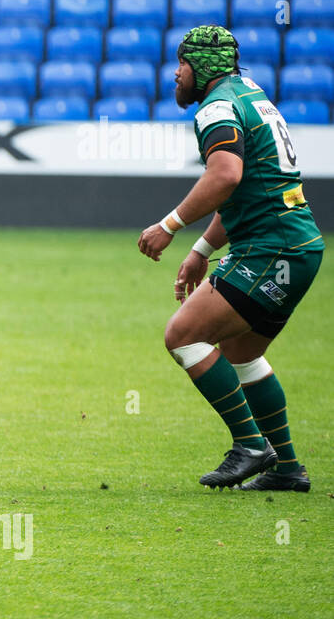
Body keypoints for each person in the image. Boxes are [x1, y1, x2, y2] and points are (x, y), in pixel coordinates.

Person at [137, 25, 323, 492]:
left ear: (200, 66)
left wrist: (169, 226)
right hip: (296, 245)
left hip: (272, 247)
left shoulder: (217, 107)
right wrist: (202, 250)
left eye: (181, 64)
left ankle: (252, 445)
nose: (175, 75)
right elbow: (243, 188)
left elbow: (225, 175)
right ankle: (287, 469)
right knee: (243, 352)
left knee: (183, 334)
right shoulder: (250, 94)